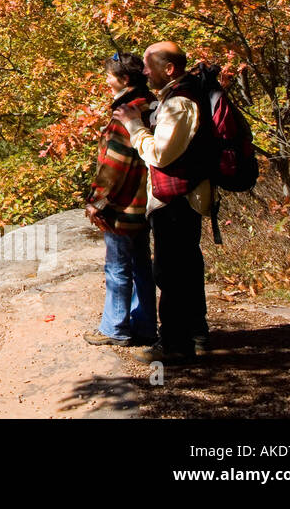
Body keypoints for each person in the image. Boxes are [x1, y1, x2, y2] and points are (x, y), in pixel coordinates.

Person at [113, 41, 213, 364]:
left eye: (148, 65)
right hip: (185, 196)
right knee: (187, 267)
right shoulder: (179, 97)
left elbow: (159, 154)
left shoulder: (178, 103)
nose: (143, 71)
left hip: (176, 201)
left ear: (168, 69)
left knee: (169, 272)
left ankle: (175, 345)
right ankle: (196, 335)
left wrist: (134, 126)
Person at [83, 53, 157, 347]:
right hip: (146, 202)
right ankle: (145, 326)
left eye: (109, 75)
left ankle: (115, 327)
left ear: (124, 80)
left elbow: (114, 165)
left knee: (117, 267)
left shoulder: (125, 115)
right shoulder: (151, 105)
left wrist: (96, 201)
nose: (106, 79)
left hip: (123, 206)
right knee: (141, 265)